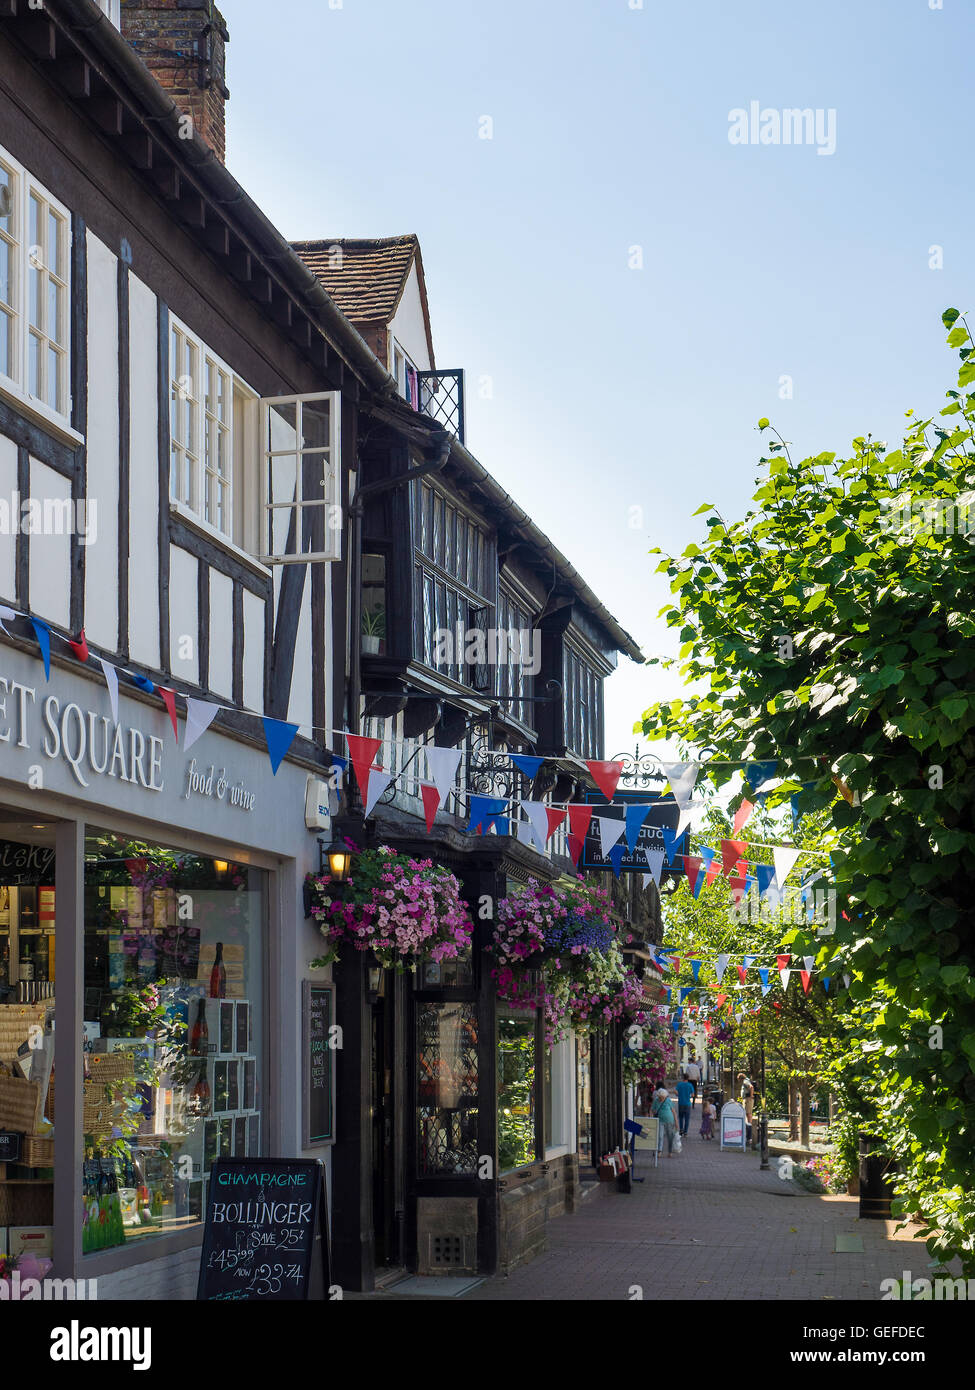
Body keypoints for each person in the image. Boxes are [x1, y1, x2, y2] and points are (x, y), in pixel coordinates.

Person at [651, 1085, 678, 1157]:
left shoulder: (668, 1100)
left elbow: (673, 1111)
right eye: (660, 1097)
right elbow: (652, 1110)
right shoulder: (656, 1101)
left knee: (670, 1137)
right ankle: (659, 1151)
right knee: (660, 1136)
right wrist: (653, 1114)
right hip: (660, 1121)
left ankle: (670, 1152)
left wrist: (676, 1122)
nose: (661, 1099)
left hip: (670, 1121)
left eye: (662, 1097)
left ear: (665, 1096)